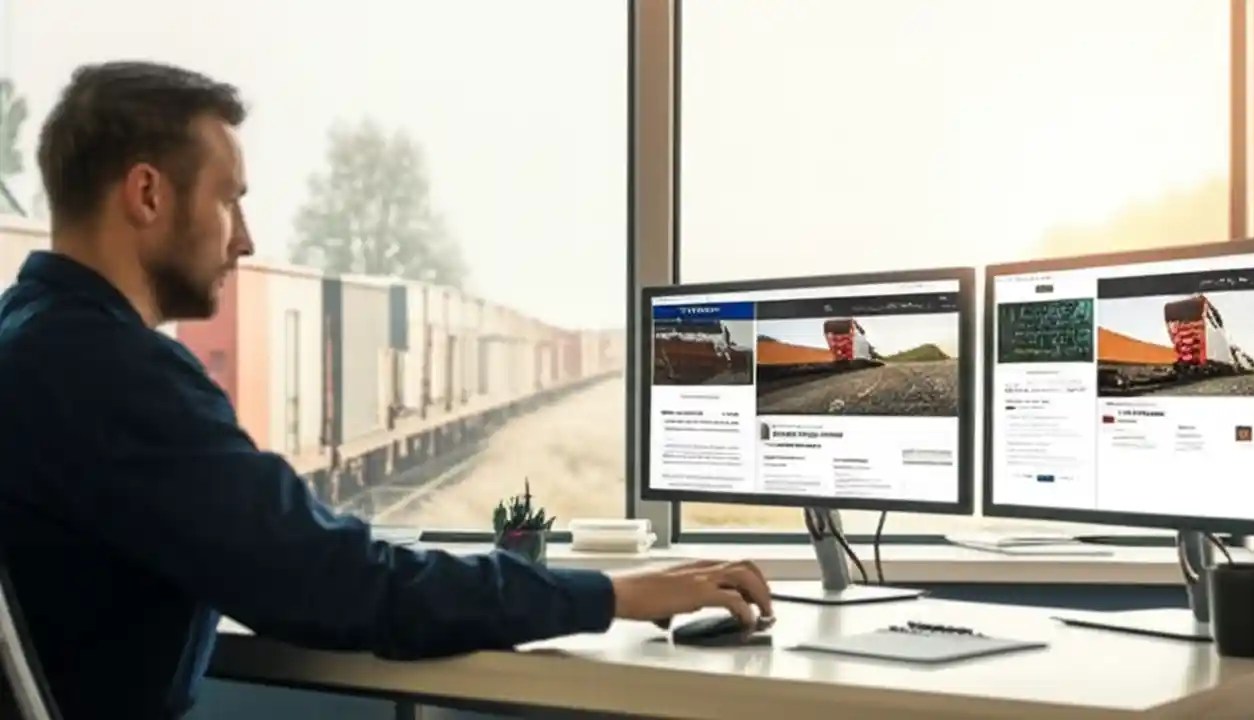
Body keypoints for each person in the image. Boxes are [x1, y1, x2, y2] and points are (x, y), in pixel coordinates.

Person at [0, 61, 772, 720]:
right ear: (147, 194)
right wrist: (612, 596)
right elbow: (337, 583)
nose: (246, 237)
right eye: (229, 197)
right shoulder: (114, 376)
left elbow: (263, 550)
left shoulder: (28, 337)